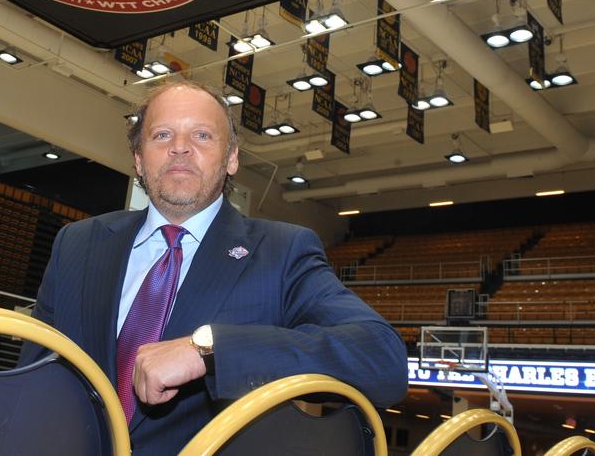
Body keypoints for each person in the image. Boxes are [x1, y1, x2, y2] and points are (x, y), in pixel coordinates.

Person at [20, 80, 408, 455]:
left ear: (232, 158)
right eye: (162, 136)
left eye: (202, 135)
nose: (180, 149)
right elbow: (30, 382)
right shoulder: (77, 243)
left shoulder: (281, 251)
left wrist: (208, 349)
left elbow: (382, 358)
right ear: (138, 159)